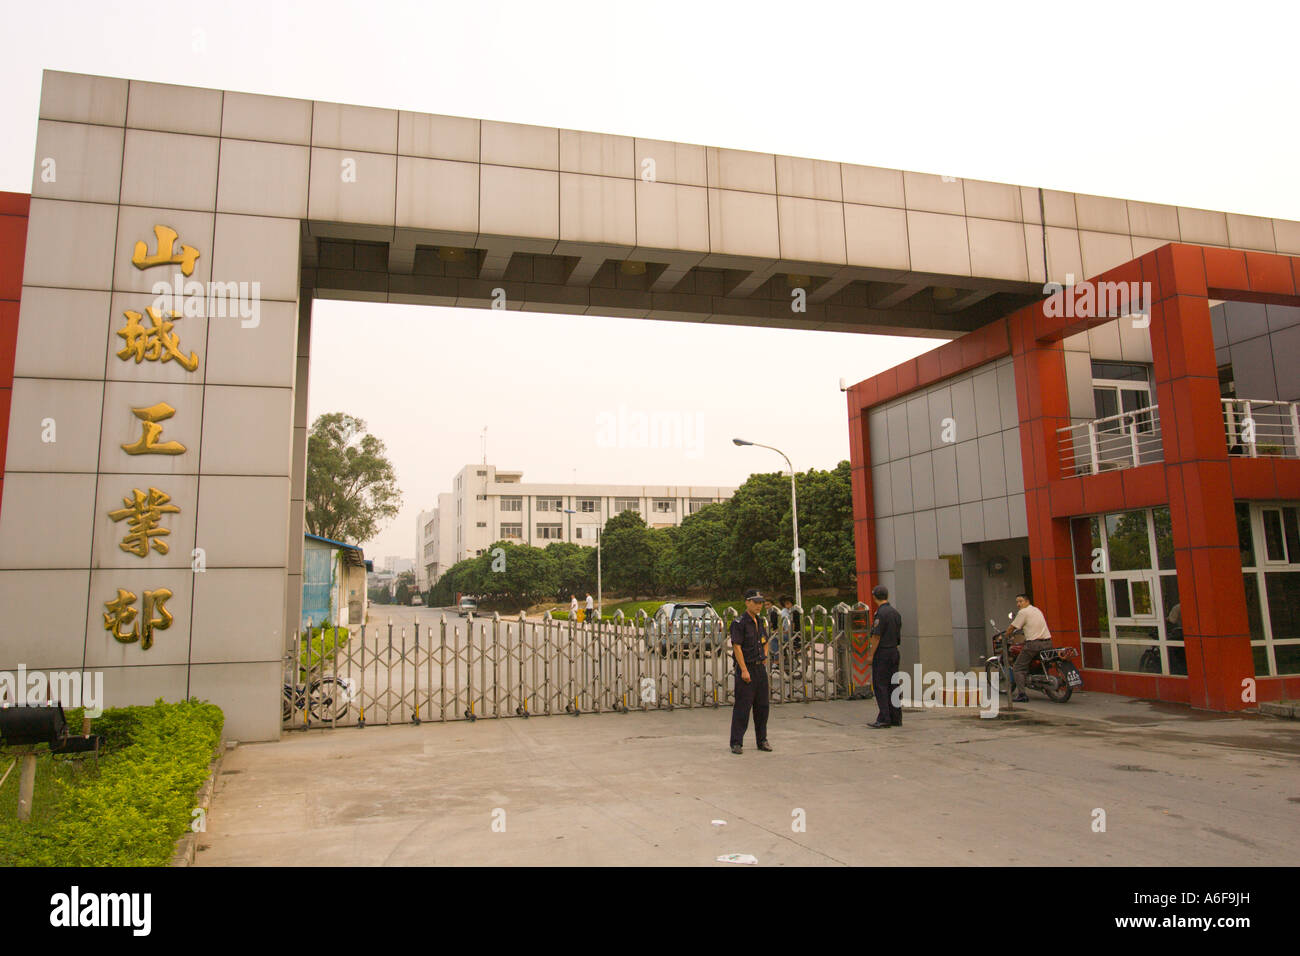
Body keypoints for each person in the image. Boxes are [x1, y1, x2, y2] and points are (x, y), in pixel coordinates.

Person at [729, 588, 772, 754]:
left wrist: (765, 655)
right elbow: (737, 647)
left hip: (759, 668)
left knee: (762, 707)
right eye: (755, 602)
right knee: (743, 707)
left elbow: (766, 640)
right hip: (746, 669)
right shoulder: (739, 623)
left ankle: (762, 740)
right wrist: (744, 670)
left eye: (761, 602)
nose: (759, 605)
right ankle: (736, 742)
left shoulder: (760, 621)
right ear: (747, 602)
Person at [867, 585, 902, 728]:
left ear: (875, 596)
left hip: (882, 654)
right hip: (894, 651)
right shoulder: (895, 612)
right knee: (893, 685)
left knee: (880, 685)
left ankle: (884, 718)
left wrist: (871, 655)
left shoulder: (880, 614)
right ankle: (896, 717)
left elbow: (876, 636)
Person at [1007, 593, 1051, 703]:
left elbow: (1012, 627)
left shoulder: (1023, 612)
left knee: (1018, 668)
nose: (1018, 604)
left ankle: (1022, 694)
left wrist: (1005, 636)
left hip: (1034, 645)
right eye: (1017, 602)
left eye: (1020, 601)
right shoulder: (1036, 610)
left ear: (1027, 601)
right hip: (1048, 642)